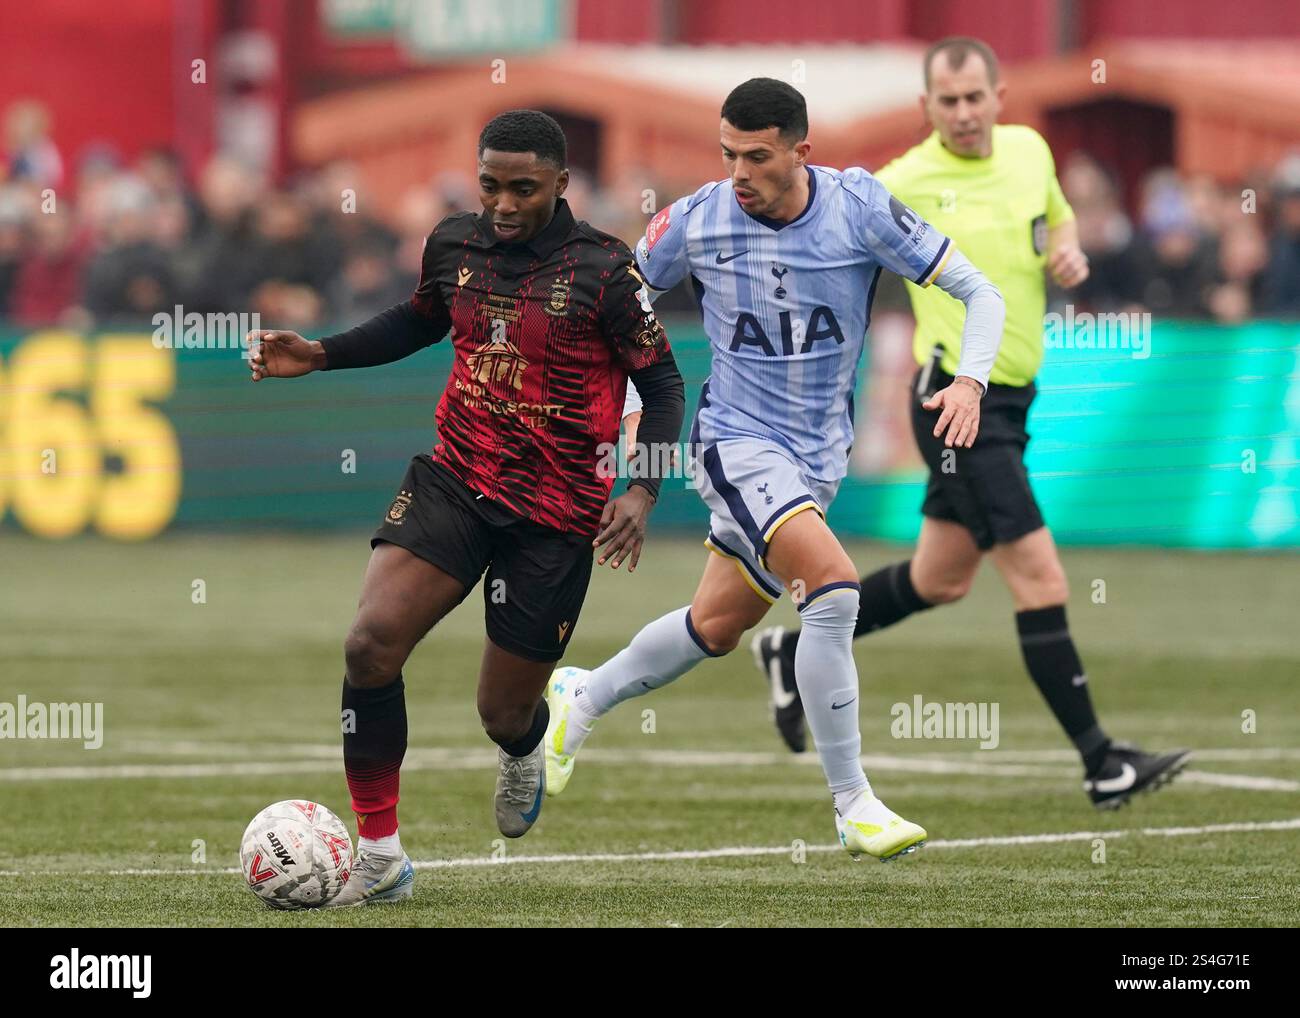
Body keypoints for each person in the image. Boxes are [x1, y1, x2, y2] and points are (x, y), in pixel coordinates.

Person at [544, 78, 1005, 861]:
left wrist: (971, 381)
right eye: (729, 155)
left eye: (757, 157)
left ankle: (579, 697)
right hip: (735, 442)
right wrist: (626, 405)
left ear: (801, 152)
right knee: (833, 593)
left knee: (715, 628)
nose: (740, 173)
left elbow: (977, 291)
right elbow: (615, 311)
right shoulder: (694, 220)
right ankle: (852, 803)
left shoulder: (860, 208)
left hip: (816, 460)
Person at [248, 110, 685, 904]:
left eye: (524, 188)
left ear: (560, 185)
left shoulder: (606, 270)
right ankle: (380, 858)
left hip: (555, 511)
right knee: (369, 646)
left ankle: (527, 743)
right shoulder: (454, 242)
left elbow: (662, 384)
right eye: (491, 185)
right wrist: (322, 353)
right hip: (457, 476)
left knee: (500, 710)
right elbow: (419, 319)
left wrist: (644, 488)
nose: (505, 203)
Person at [751, 38, 1189, 808]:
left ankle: (792, 651)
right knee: (1041, 577)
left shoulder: (1028, 152)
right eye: (946, 101)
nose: (961, 113)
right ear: (927, 107)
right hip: (957, 403)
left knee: (940, 579)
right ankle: (1102, 762)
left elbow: (1058, 220)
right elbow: (823, 229)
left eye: (973, 98)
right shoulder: (904, 180)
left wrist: (1069, 251)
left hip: (1013, 398)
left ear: (998, 96)